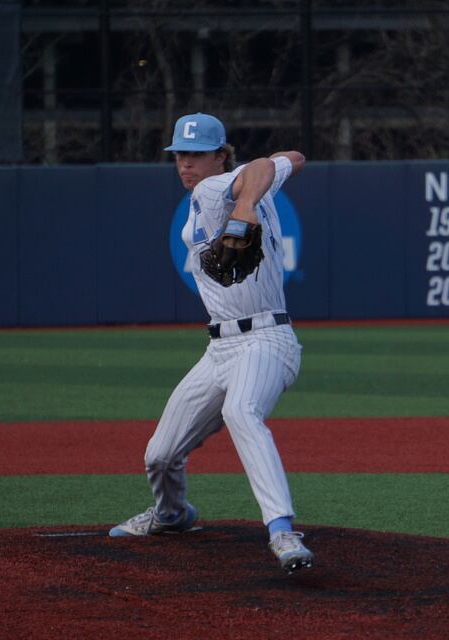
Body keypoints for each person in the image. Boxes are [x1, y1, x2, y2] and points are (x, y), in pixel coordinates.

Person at [109, 112, 313, 574]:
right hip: (219, 349)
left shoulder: (218, 186)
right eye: (180, 154)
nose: (186, 163)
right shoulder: (201, 204)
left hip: (266, 339)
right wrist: (248, 205)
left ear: (221, 156)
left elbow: (265, 166)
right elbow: (287, 159)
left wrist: (242, 212)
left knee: (241, 411)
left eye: (197, 154)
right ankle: (172, 514)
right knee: (159, 454)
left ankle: (282, 530)